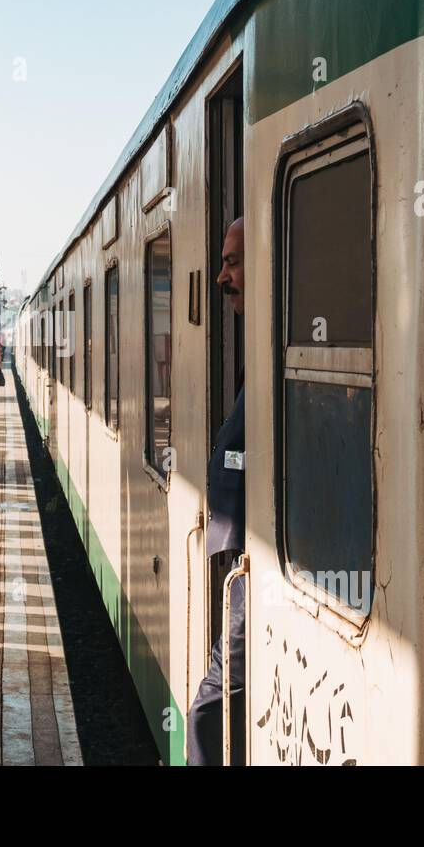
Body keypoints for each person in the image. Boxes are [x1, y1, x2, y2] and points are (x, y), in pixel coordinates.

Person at [187, 216, 246, 766]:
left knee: (208, 708)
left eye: (233, 262)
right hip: (238, 569)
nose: (223, 277)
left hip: (256, 574)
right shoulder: (261, 359)